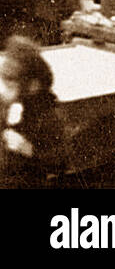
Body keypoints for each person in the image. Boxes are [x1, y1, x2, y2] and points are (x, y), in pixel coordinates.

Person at [0, 36, 66, 188]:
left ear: (32, 86)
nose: (4, 92)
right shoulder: (6, 102)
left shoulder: (47, 113)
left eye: (10, 86)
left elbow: (60, 162)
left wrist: (28, 149)